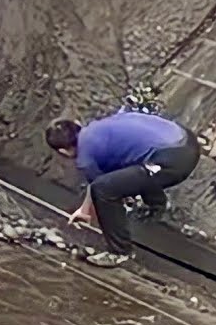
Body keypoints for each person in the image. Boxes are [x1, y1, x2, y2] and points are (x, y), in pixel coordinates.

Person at [45, 111, 201, 268]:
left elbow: (99, 187)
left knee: (106, 189)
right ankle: (157, 205)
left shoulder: (85, 157)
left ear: (63, 151)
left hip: (175, 161)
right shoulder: (102, 125)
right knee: (129, 172)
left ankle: (120, 252)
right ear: (77, 123)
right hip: (186, 139)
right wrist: (84, 210)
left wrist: (87, 211)